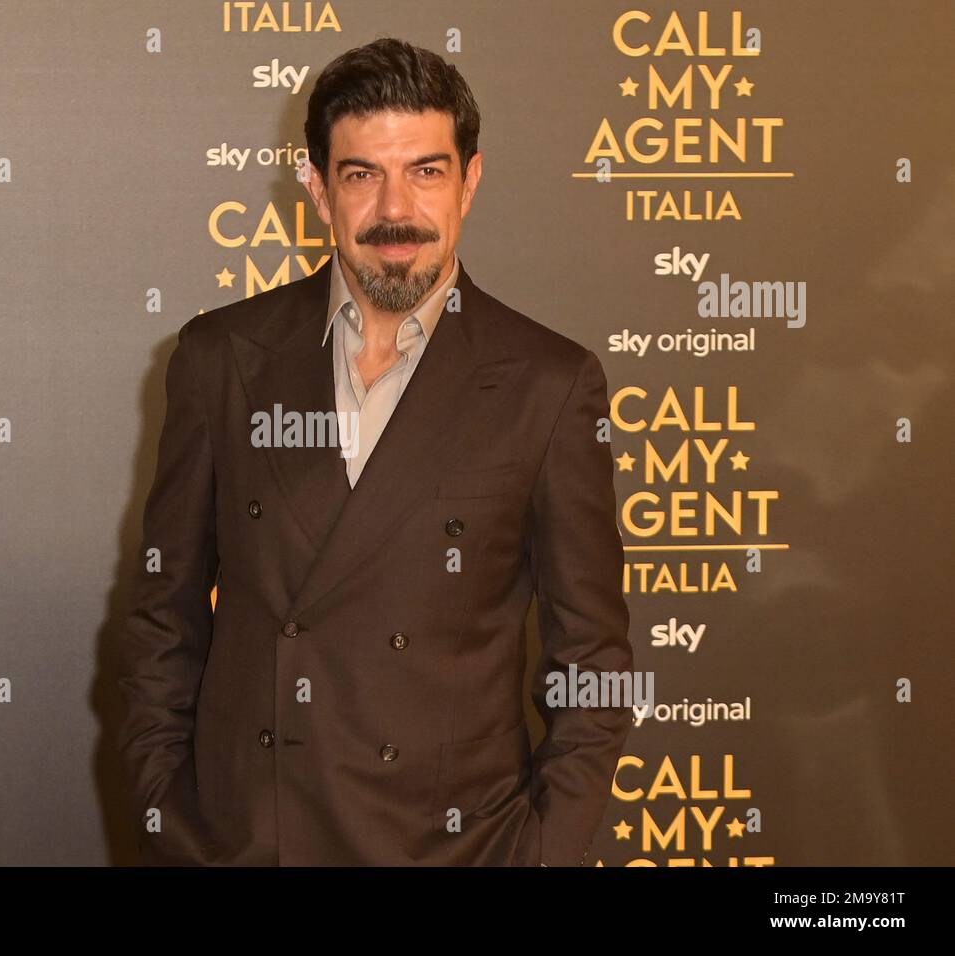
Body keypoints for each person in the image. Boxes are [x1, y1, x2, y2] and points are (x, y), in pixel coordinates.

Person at [115, 37, 632, 866]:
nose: (397, 209)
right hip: (252, 843)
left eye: (426, 170)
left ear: (471, 179)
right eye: (362, 175)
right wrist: (173, 825)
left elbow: (593, 667)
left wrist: (539, 856)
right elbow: (160, 624)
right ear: (318, 189)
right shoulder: (222, 358)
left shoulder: (549, 384)